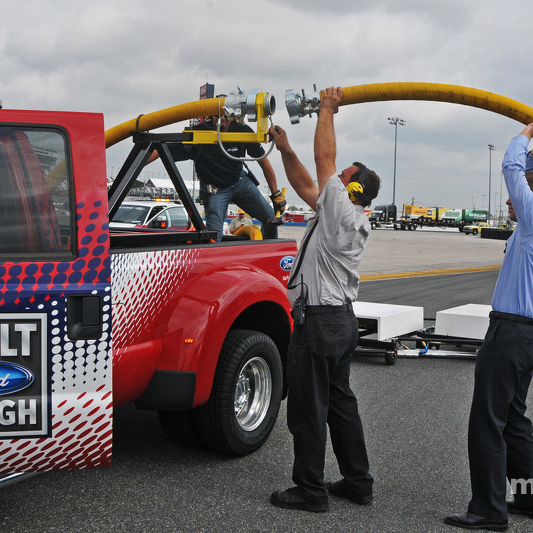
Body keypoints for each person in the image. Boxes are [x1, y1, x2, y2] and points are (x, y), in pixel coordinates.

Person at [445, 118, 533, 531]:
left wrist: (528, 132)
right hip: (524, 334)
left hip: (511, 332)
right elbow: (525, 176)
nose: (509, 204)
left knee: (488, 421)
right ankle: (532, 500)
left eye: (517, 200)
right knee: (514, 419)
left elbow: (512, 171)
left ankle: (488, 510)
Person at [268, 87, 380, 513]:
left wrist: (327, 111)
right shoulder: (342, 215)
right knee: (341, 404)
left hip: (318, 324)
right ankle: (358, 482)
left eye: (342, 177)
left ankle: (311, 490)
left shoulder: (342, 210)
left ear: (351, 188)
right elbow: (305, 183)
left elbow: (324, 163)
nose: (335, 179)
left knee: (308, 410)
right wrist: (284, 147)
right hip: (340, 322)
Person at [152, 105, 286, 239]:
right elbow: (160, 149)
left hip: (239, 182)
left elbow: (264, 162)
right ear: (210, 116)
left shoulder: (241, 130)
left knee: (270, 219)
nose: (222, 119)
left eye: (226, 115)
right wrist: (137, 163)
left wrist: (275, 194)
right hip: (216, 189)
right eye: (218, 116)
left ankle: (270, 252)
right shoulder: (198, 133)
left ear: (232, 116)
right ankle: (212, 256)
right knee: (214, 235)